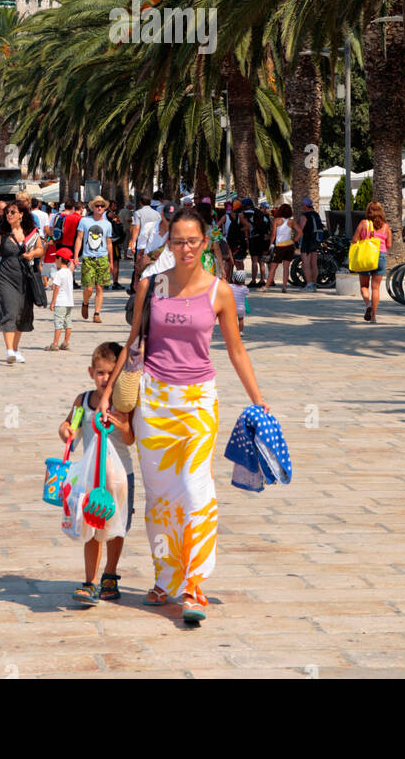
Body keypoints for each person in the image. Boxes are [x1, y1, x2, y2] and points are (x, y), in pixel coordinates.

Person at [100, 206, 269, 624]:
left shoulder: (220, 291)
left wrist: (258, 398)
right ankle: (165, 580)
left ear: (205, 241)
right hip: (154, 403)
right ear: (167, 242)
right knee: (160, 498)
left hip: (198, 403)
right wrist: (107, 397)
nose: (186, 248)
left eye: (193, 240)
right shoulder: (152, 285)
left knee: (195, 492)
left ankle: (194, 585)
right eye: (178, 241)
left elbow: (235, 349)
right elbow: (133, 337)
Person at [59, 342, 135, 604]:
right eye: (100, 373)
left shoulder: (123, 403)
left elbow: (130, 440)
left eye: (110, 373)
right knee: (91, 526)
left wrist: (123, 424)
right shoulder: (83, 400)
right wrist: (65, 430)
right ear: (91, 372)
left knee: (117, 528)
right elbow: (72, 427)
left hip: (121, 477)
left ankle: (110, 574)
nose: (104, 379)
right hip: (91, 479)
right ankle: (90, 580)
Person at [0, 202, 43, 363]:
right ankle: (9, 350)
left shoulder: (31, 233)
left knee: (22, 313)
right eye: (7, 212)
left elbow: (41, 249)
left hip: (24, 277)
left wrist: (32, 254)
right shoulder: (1, 232)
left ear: (21, 214)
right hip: (5, 276)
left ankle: (16, 349)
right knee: (9, 310)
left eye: (13, 212)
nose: (9, 214)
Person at [75, 196, 114, 322]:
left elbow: (109, 243)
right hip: (88, 258)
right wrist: (76, 256)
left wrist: (111, 261)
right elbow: (79, 238)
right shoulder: (85, 221)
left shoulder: (107, 224)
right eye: (97, 206)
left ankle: (97, 313)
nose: (99, 208)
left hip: (102, 258)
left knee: (99, 287)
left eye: (102, 206)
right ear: (92, 207)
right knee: (89, 288)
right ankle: (85, 302)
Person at [352, 201, 392, 322]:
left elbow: (354, 240)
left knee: (364, 286)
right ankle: (374, 316)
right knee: (375, 288)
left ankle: (368, 305)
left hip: (366, 256)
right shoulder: (386, 226)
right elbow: (389, 244)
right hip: (381, 256)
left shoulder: (364, 223)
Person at [45, 247, 75, 351]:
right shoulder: (69, 273)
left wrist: (53, 302)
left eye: (56, 258)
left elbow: (56, 288)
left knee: (58, 323)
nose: (55, 260)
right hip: (69, 302)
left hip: (61, 302)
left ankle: (55, 343)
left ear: (60, 259)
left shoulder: (59, 273)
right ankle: (66, 342)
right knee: (68, 322)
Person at [265, 204, 298, 292]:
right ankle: (284, 287)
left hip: (279, 246)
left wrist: (271, 245)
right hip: (289, 246)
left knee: (273, 267)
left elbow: (273, 235)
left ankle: (266, 287)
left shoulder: (277, 220)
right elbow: (300, 232)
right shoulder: (292, 221)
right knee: (286, 267)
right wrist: (294, 240)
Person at [297, 198, 324, 293]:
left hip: (306, 241)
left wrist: (295, 240)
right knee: (314, 263)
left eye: (302, 205)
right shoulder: (316, 214)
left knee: (306, 264)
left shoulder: (304, 216)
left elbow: (300, 230)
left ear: (305, 205)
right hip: (315, 241)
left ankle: (309, 284)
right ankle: (314, 283)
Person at [248, 201, 272, 288]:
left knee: (254, 261)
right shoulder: (267, 218)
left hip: (255, 239)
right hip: (265, 240)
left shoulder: (255, 215)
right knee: (262, 262)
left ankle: (253, 280)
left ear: (261, 208)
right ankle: (262, 280)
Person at [107, 202, 126, 288]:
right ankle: (115, 282)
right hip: (113, 242)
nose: (116, 207)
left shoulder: (102, 215)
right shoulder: (111, 214)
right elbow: (119, 222)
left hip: (106, 241)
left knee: (106, 262)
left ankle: (105, 282)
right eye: (114, 205)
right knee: (115, 262)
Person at [231, 266, 249, 334]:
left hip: (232, 308)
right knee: (241, 319)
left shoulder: (231, 286)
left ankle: (233, 331)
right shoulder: (244, 288)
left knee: (232, 320)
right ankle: (240, 331)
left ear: (234, 279)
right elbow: (247, 293)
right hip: (241, 308)